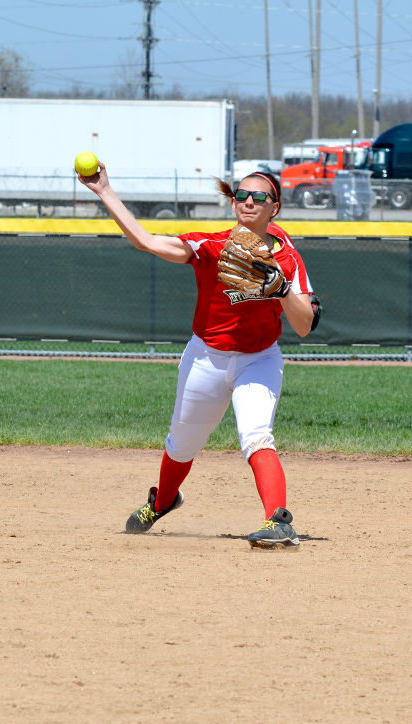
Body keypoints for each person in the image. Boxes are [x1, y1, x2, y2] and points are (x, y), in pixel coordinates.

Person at [78, 164, 320, 547]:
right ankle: (163, 501)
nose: (249, 201)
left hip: (258, 359)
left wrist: (282, 287)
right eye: (241, 195)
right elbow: (145, 241)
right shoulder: (210, 246)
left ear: (276, 208)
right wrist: (104, 190)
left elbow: (305, 324)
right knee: (181, 443)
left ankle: (278, 520)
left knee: (256, 435)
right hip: (206, 357)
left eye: (260, 197)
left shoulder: (286, 256)